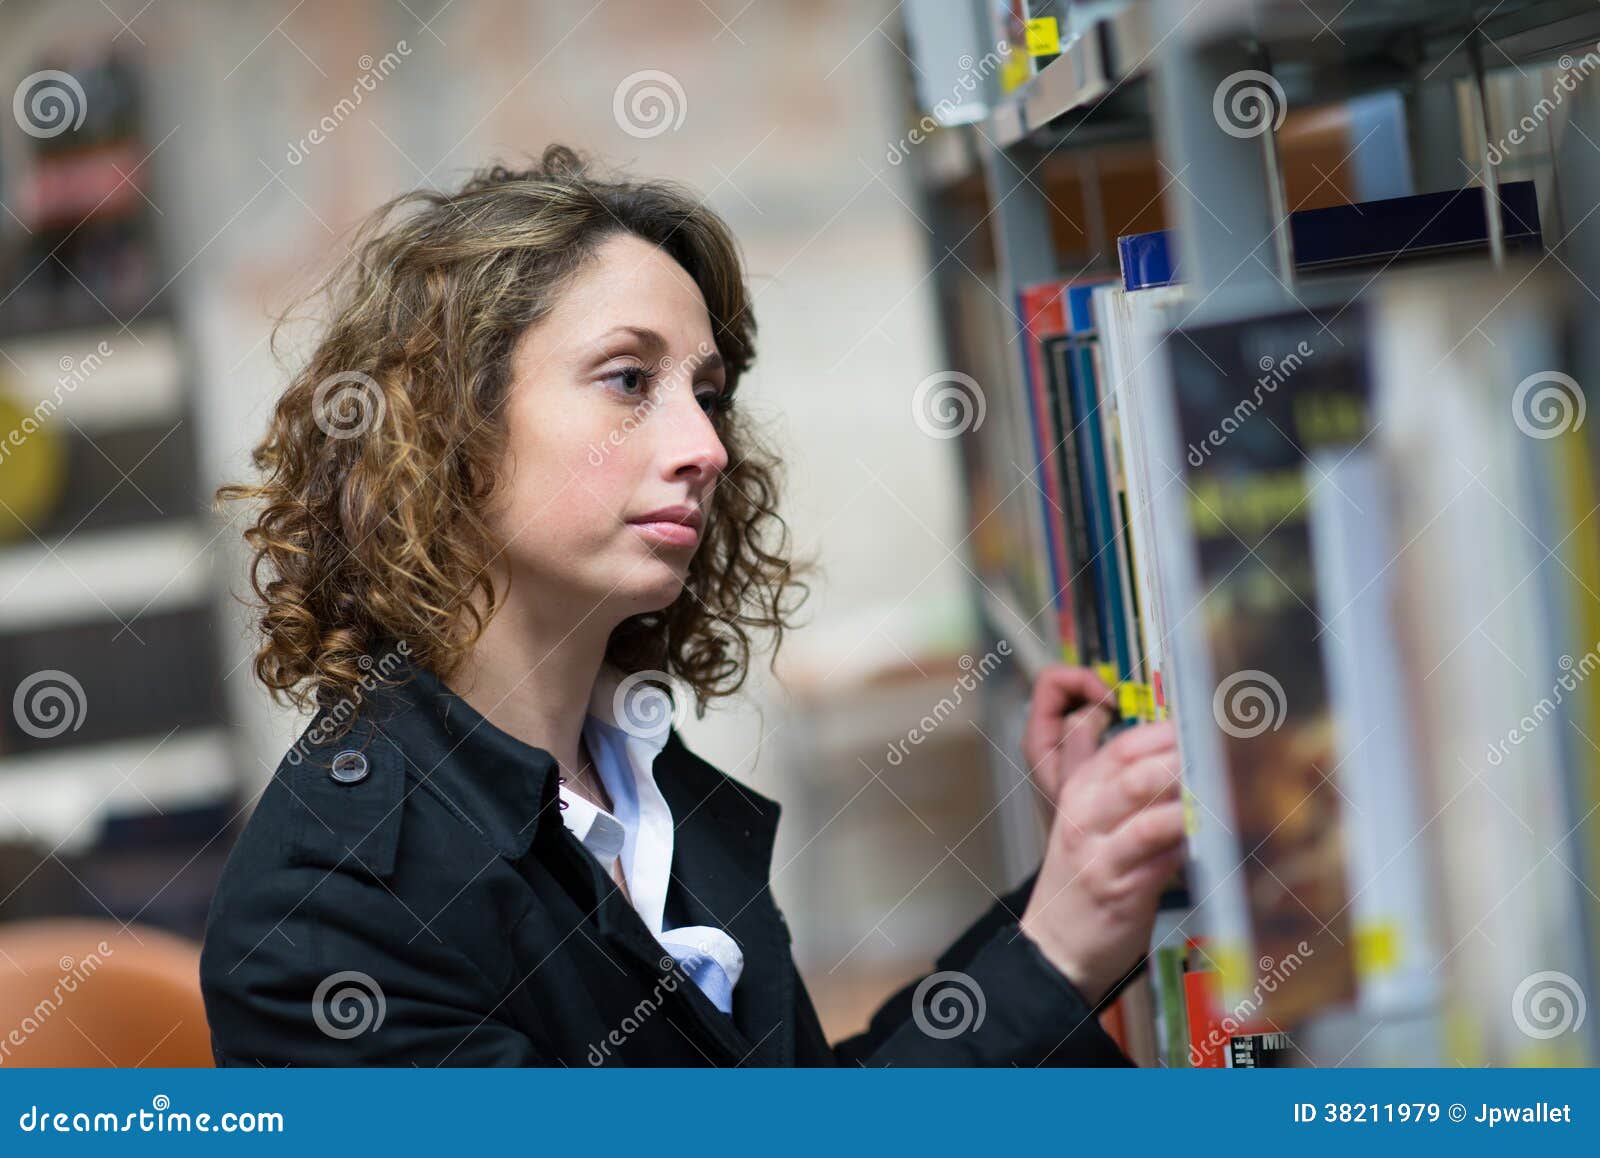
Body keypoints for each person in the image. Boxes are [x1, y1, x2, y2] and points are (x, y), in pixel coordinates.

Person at [198, 144, 1187, 1066]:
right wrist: (1054, 941)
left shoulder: (637, 778)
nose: (705, 448)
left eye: (706, 394)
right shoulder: (328, 918)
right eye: (628, 380)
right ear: (445, 423)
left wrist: (1068, 910)